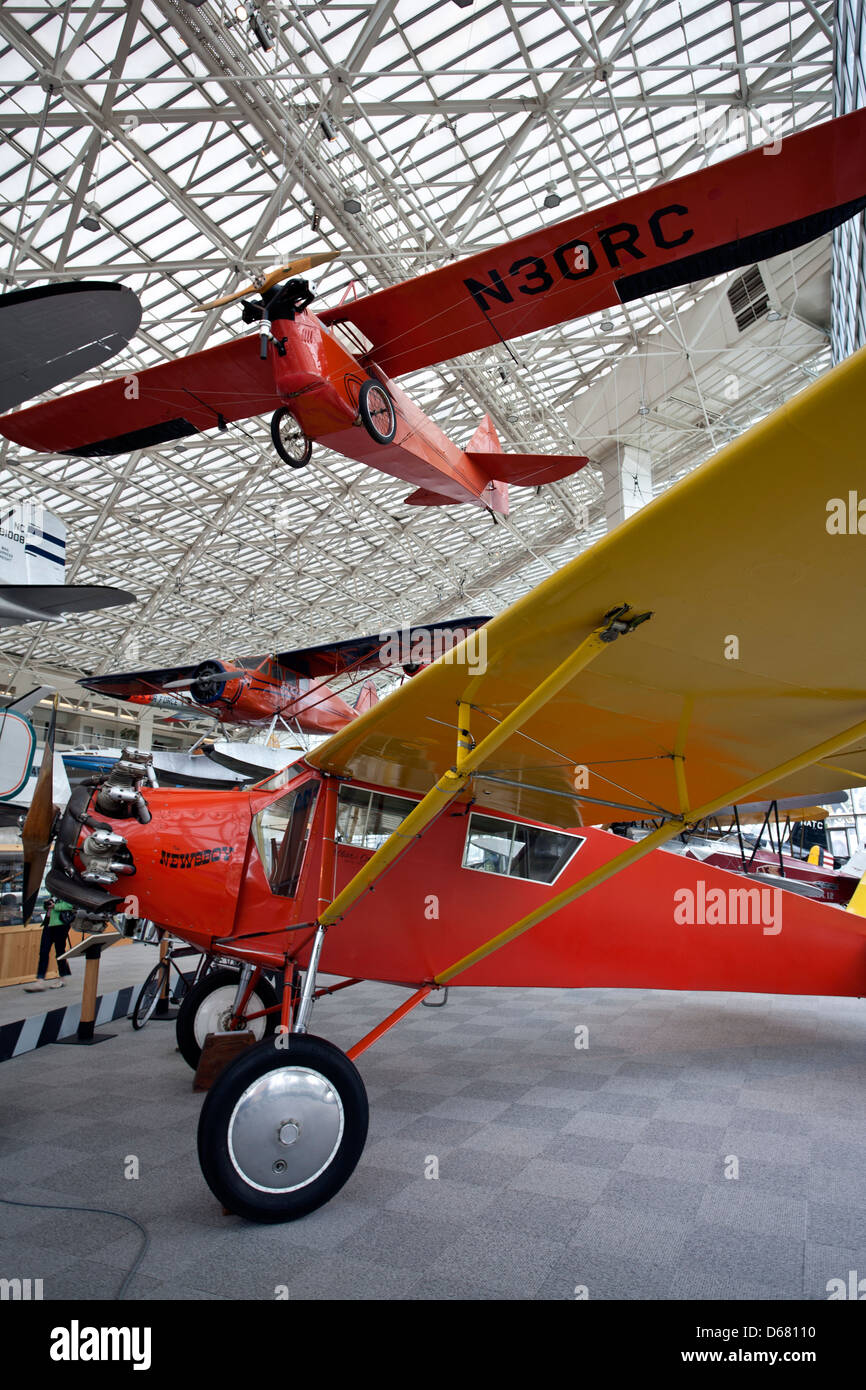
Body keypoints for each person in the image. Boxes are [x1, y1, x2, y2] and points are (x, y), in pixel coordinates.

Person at [24, 897, 75, 991]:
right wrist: (46, 905)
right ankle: (40, 980)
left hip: (60, 925)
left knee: (60, 952)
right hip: (48, 924)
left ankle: (62, 978)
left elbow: (70, 905)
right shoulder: (52, 891)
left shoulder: (64, 889)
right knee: (43, 951)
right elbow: (48, 908)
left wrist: (55, 906)